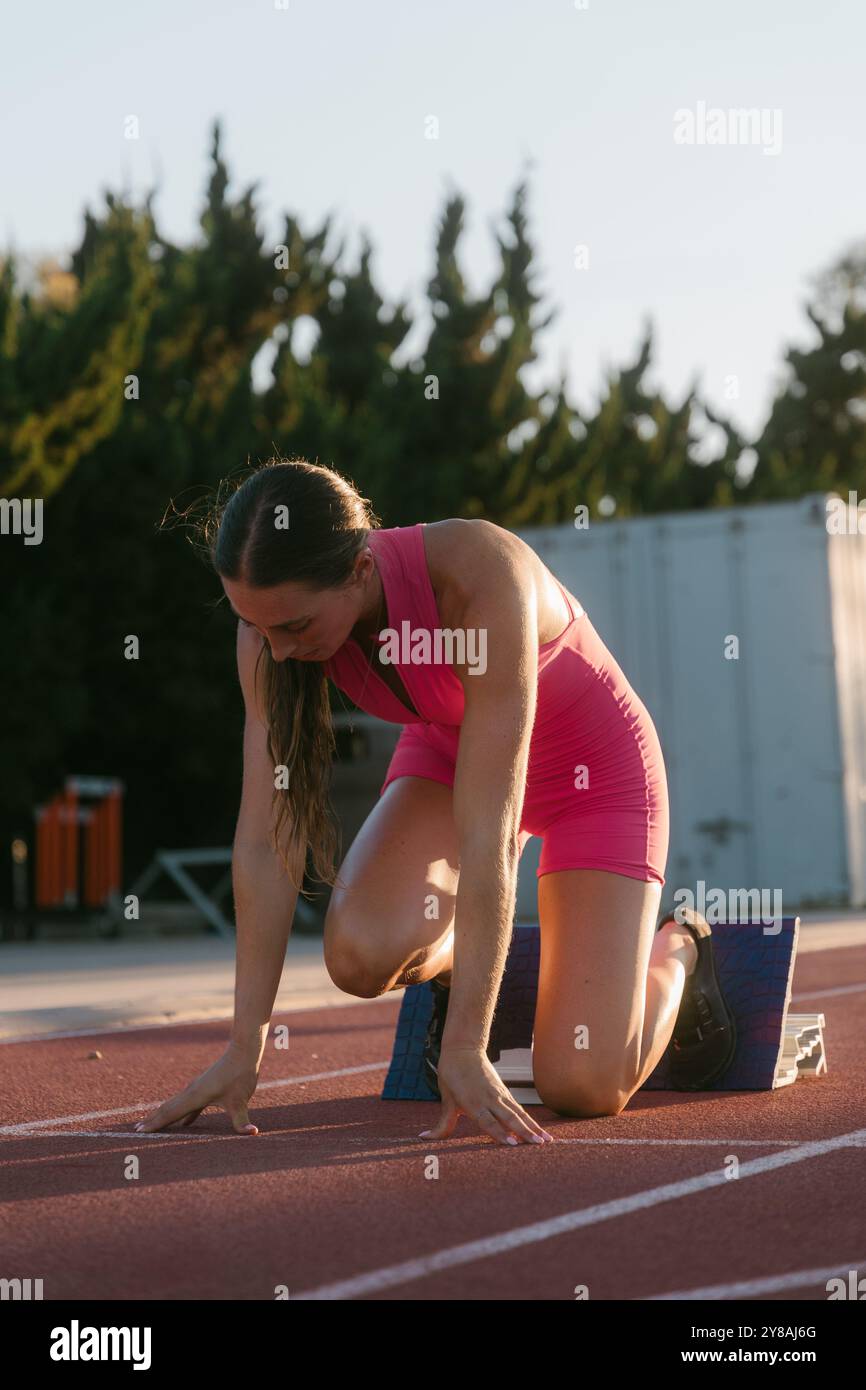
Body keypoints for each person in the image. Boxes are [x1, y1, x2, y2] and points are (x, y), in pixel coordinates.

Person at [135, 457, 736, 1146]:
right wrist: (245, 1050)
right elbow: (266, 839)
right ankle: (485, 963)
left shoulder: (477, 574)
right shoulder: (269, 635)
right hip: (451, 753)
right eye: (255, 625)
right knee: (359, 955)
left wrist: (464, 1048)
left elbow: (490, 834)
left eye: (295, 626)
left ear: (359, 569)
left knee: (584, 1085)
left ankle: (683, 944)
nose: (277, 651)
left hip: (595, 776)